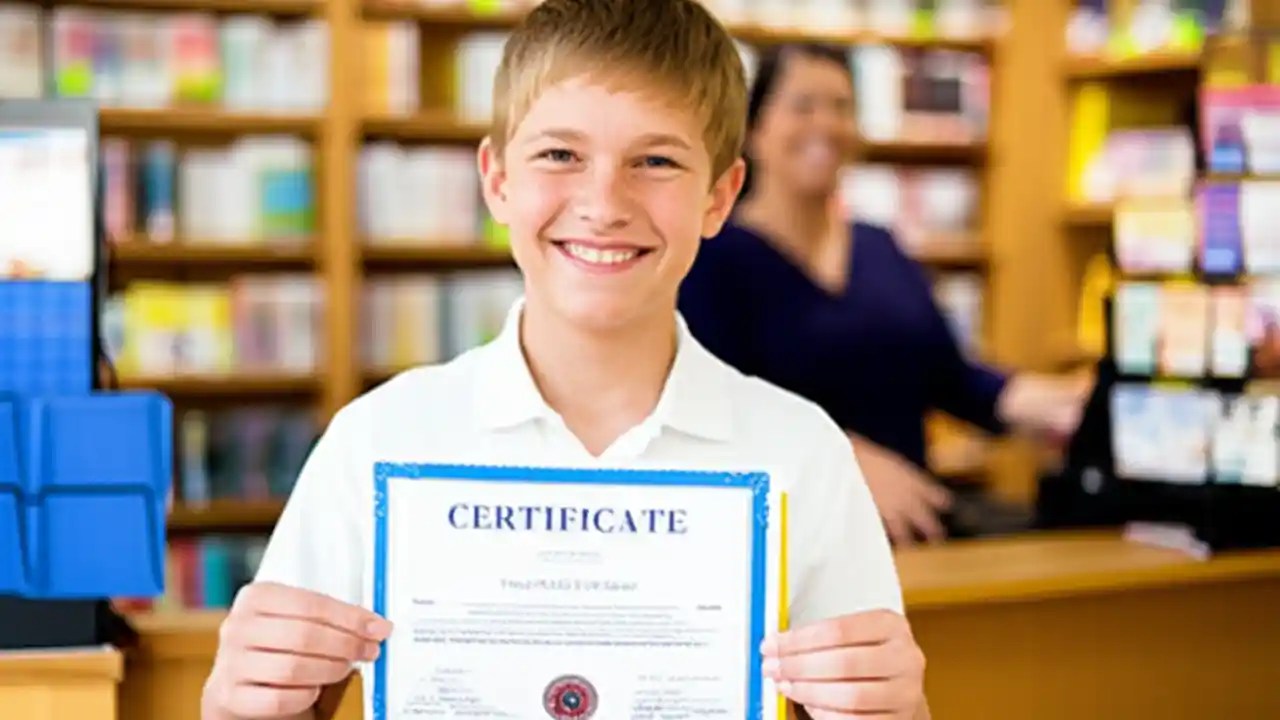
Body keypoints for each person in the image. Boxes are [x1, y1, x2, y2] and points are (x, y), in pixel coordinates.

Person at [200, 3, 930, 720]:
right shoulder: (377, 442)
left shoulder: (803, 454)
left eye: (655, 161)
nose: (603, 202)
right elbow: (280, 700)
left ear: (719, 197)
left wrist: (896, 713)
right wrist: (243, 706)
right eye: (560, 155)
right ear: (497, 180)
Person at [678, 43, 1088, 547]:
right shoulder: (715, 259)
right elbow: (711, 409)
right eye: (803, 106)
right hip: (788, 542)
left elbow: (951, 379)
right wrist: (839, 459)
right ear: (755, 130)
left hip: (911, 534)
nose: (825, 124)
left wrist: (1059, 401)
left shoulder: (880, 246)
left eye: (842, 108)